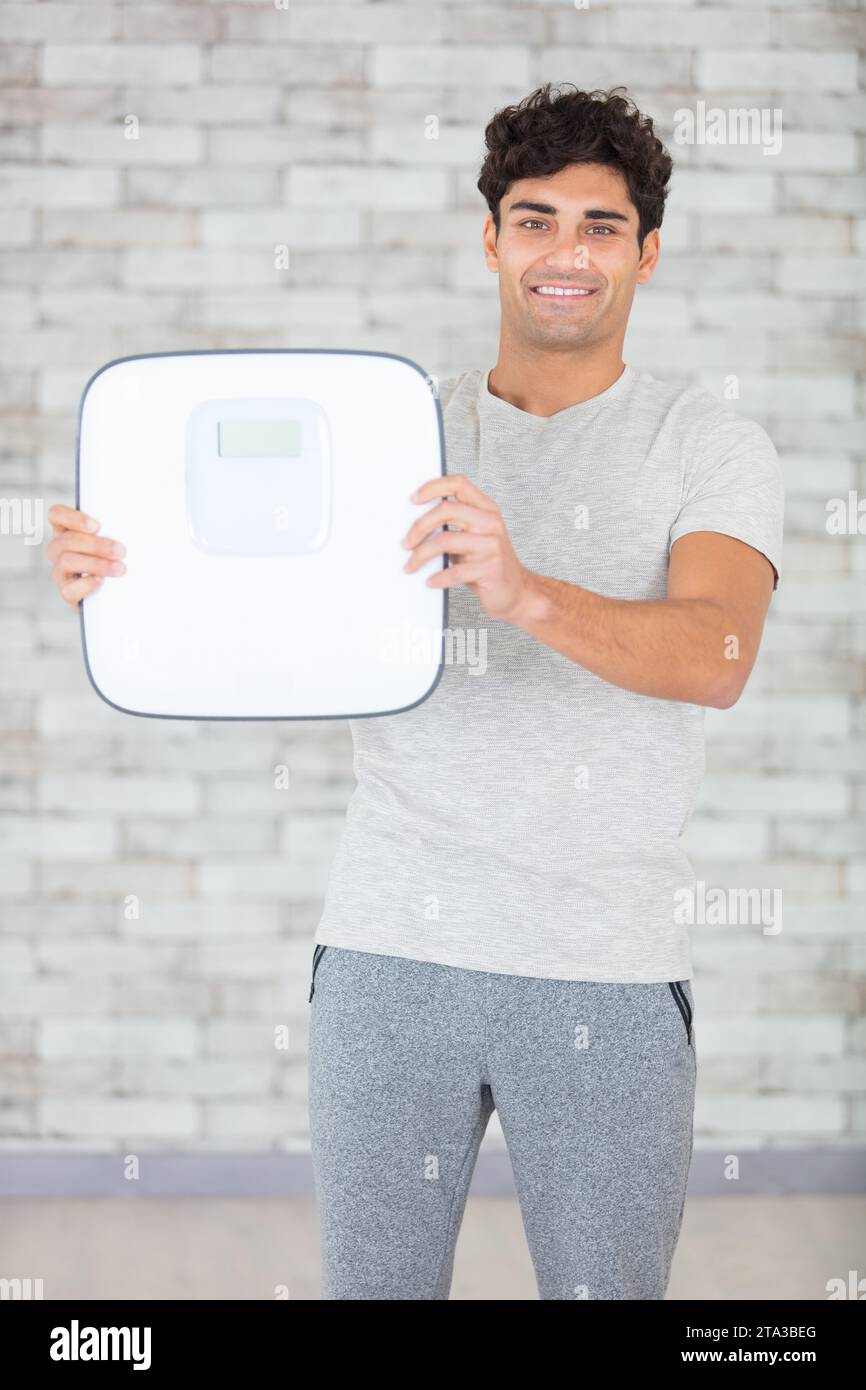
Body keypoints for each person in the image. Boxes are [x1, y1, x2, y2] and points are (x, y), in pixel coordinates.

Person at [46, 84, 784, 1301]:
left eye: (599, 227)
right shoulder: (399, 429)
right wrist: (126, 579)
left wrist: (525, 589)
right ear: (489, 239)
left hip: (600, 965)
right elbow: (267, 604)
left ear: (645, 254)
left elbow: (716, 656)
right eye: (534, 219)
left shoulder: (706, 443)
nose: (564, 253)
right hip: (389, 955)